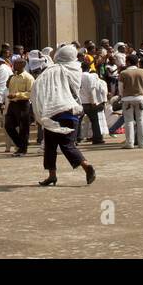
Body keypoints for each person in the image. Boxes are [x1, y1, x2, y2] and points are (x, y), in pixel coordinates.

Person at [30, 44, 96, 186]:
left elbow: (38, 85)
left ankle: (86, 167)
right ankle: (52, 176)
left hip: (55, 112)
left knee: (54, 146)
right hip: (72, 112)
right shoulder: (76, 69)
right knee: (64, 144)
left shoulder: (52, 70)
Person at [4, 58, 34, 155]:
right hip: (12, 104)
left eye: (16, 64)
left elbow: (31, 93)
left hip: (23, 104)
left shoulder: (28, 77)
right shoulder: (13, 77)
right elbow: (8, 88)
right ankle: (20, 145)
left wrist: (17, 95)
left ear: (22, 65)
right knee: (8, 126)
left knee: (23, 128)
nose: (13, 65)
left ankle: (22, 149)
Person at [119, 54, 143, 148]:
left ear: (128, 62)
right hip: (140, 98)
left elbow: (120, 89)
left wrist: (122, 96)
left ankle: (129, 143)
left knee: (129, 121)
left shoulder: (123, 73)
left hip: (127, 99)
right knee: (141, 121)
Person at [79, 63, 109, 145]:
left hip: (80, 102)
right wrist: (93, 102)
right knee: (95, 121)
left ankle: (76, 139)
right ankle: (97, 138)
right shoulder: (89, 76)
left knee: (78, 121)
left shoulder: (77, 76)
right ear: (89, 69)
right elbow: (92, 90)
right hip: (89, 102)